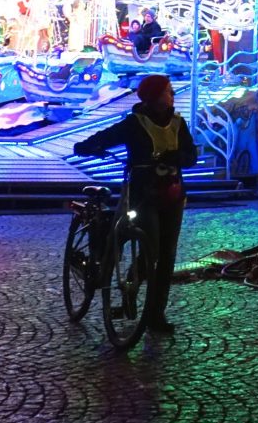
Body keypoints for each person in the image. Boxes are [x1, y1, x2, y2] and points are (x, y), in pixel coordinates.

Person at [73, 74, 194, 334]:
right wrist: (86, 147)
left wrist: (178, 156)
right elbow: (102, 138)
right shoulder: (133, 123)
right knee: (149, 247)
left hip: (172, 195)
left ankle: (155, 313)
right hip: (141, 193)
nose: (172, 95)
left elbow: (192, 155)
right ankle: (110, 276)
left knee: (166, 256)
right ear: (154, 96)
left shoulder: (178, 123)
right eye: (168, 91)